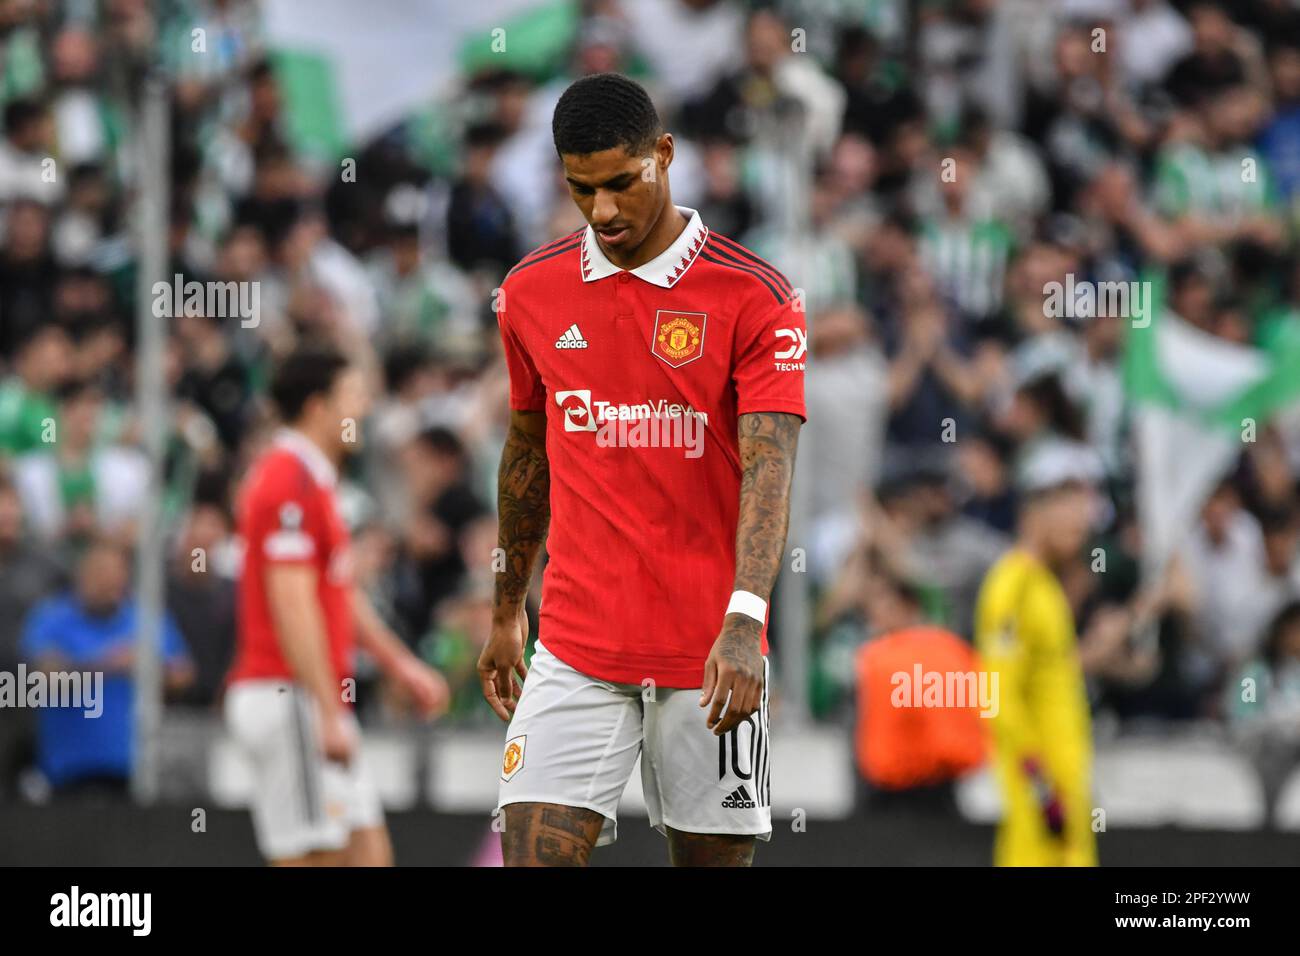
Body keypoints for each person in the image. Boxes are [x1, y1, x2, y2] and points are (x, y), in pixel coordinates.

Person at [478, 72, 805, 867]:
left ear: (664, 153)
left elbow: (769, 469)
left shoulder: (755, 296)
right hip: (578, 647)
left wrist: (745, 622)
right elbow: (527, 452)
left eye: (623, 182)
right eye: (582, 190)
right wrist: (504, 607)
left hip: (709, 653)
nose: (605, 211)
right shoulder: (529, 292)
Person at [224, 345, 449, 866]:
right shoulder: (289, 480)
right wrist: (325, 710)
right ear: (316, 406)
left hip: (309, 697)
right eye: (352, 394)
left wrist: (400, 665)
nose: (364, 407)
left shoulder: (311, 480)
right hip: (291, 694)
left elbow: (336, 596)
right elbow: (293, 606)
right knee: (316, 859)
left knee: (368, 853)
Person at [974, 443, 1101, 867]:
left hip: (1066, 795)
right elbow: (999, 696)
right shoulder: (1014, 585)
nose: (1080, 524)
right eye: (1069, 508)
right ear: (1036, 508)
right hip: (1042, 806)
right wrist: (1043, 790)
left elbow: (1054, 681)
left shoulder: (1045, 586)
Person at [20, 538, 192, 796]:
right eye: (102, 574)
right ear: (82, 576)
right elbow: (40, 679)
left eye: (117, 575)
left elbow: (184, 675)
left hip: (136, 769)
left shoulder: (145, 619)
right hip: (69, 770)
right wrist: (105, 665)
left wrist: (149, 669)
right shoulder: (52, 617)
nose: (111, 583)